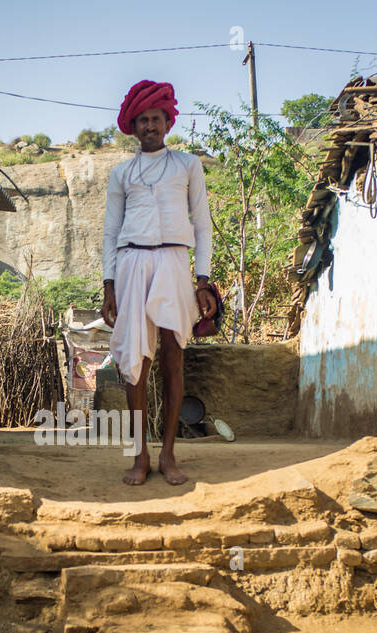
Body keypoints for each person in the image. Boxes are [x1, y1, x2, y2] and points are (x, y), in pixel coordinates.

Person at [100, 79, 217, 486]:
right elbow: (111, 230)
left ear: (168, 122)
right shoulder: (122, 173)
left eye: (155, 118)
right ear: (133, 127)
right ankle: (139, 455)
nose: (149, 126)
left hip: (173, 260)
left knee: (173, 355)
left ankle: (168, 453)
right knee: (135, 362)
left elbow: (202, 224)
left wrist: (202, 279)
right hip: (131, 261)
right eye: (142, 120)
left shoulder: (188, 165)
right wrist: (108, 285)